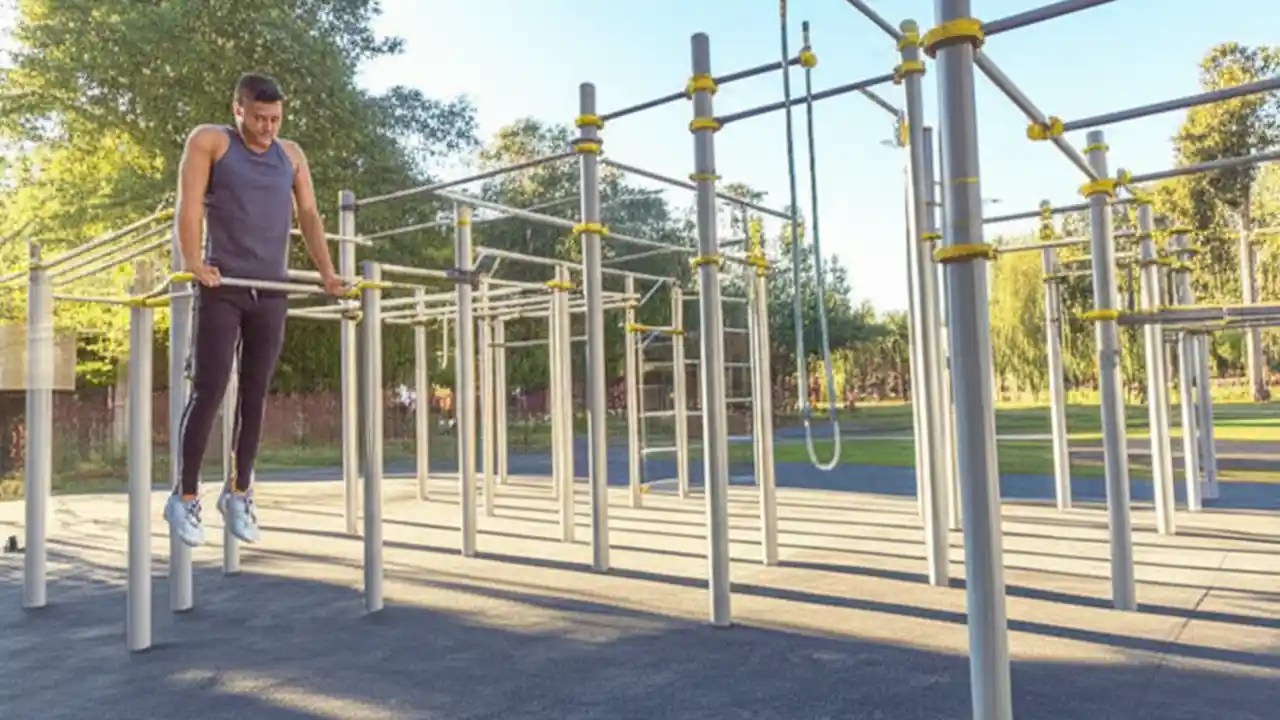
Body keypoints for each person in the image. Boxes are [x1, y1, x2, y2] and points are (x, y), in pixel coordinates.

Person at [164, 73, 344, 547]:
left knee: (256, 392)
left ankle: (239, 490)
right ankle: (183, 497)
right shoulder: (210, 141)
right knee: (210, 387)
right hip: (225, 283)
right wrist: (192, 262)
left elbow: (308, 215)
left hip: (271, 286)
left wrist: (327, 273)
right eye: (259, 118)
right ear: (238, 109)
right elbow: (189, 204)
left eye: (276, 119)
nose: (268, 127)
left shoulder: (292, 155)